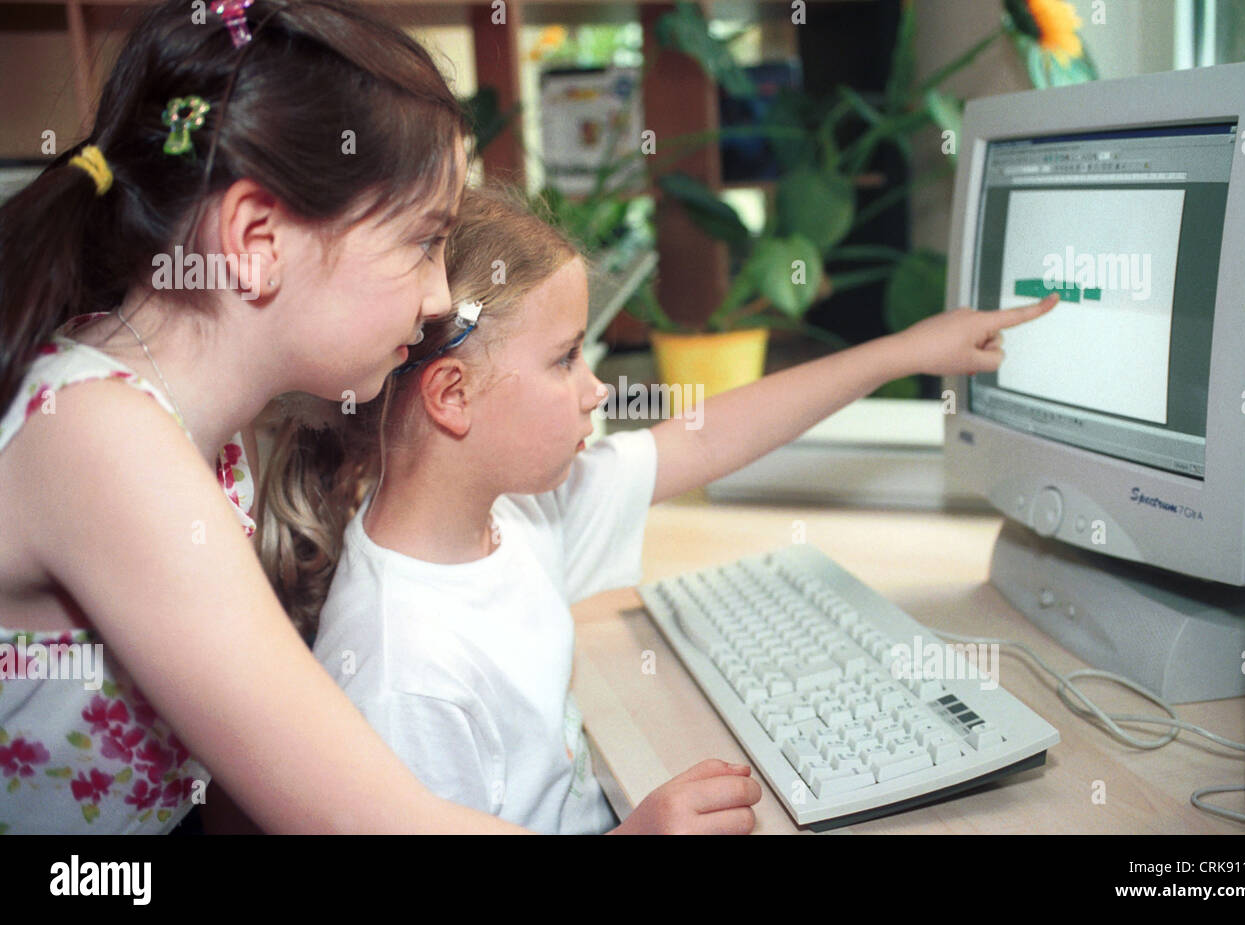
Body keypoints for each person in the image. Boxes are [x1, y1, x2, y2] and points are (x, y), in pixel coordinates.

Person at [280, 186, 1058, 834]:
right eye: (565, 358)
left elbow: (702, 438)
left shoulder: (515, 515)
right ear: (453, 397)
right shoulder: (402, 668)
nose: (599, 389)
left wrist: (905, 351)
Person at [0, 0, 546, 834]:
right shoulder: (104, 441)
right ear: (256, 241)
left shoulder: (194, 419)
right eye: (423, 243)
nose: (441, 297)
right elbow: (372, 824)